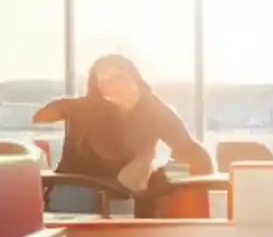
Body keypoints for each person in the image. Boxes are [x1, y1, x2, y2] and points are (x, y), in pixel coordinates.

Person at [33, 54, 213, 215]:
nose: (107, 86)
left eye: (116, 78)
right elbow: (41, 116)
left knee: (164, 184)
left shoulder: (155, 110)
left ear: (133, 77)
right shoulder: (86, 107)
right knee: (75, 196)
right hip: (79, 181)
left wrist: (158, 167)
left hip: (127, 183)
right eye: (101, 81)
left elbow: (187, 147)